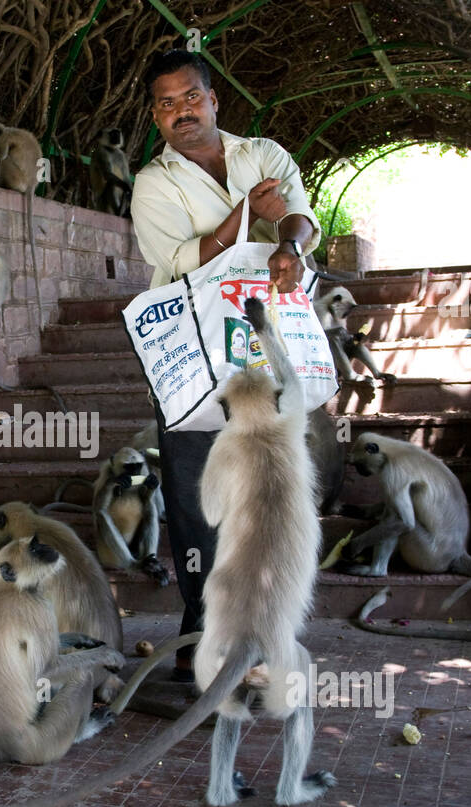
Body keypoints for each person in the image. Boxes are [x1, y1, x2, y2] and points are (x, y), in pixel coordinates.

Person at [129, 49, 322, 681]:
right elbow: (186, 263)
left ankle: (256, 628)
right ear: (155, 117)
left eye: (190, 97)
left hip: (262, 349)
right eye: (165, 103)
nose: (180, 111)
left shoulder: (260, 153)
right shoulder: (154, 183)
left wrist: (288, 243)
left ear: (214, 100)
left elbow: (296, 214)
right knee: (192, 494)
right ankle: (200, 633)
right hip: (190, 355)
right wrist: (247, 218)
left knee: (264, 488)